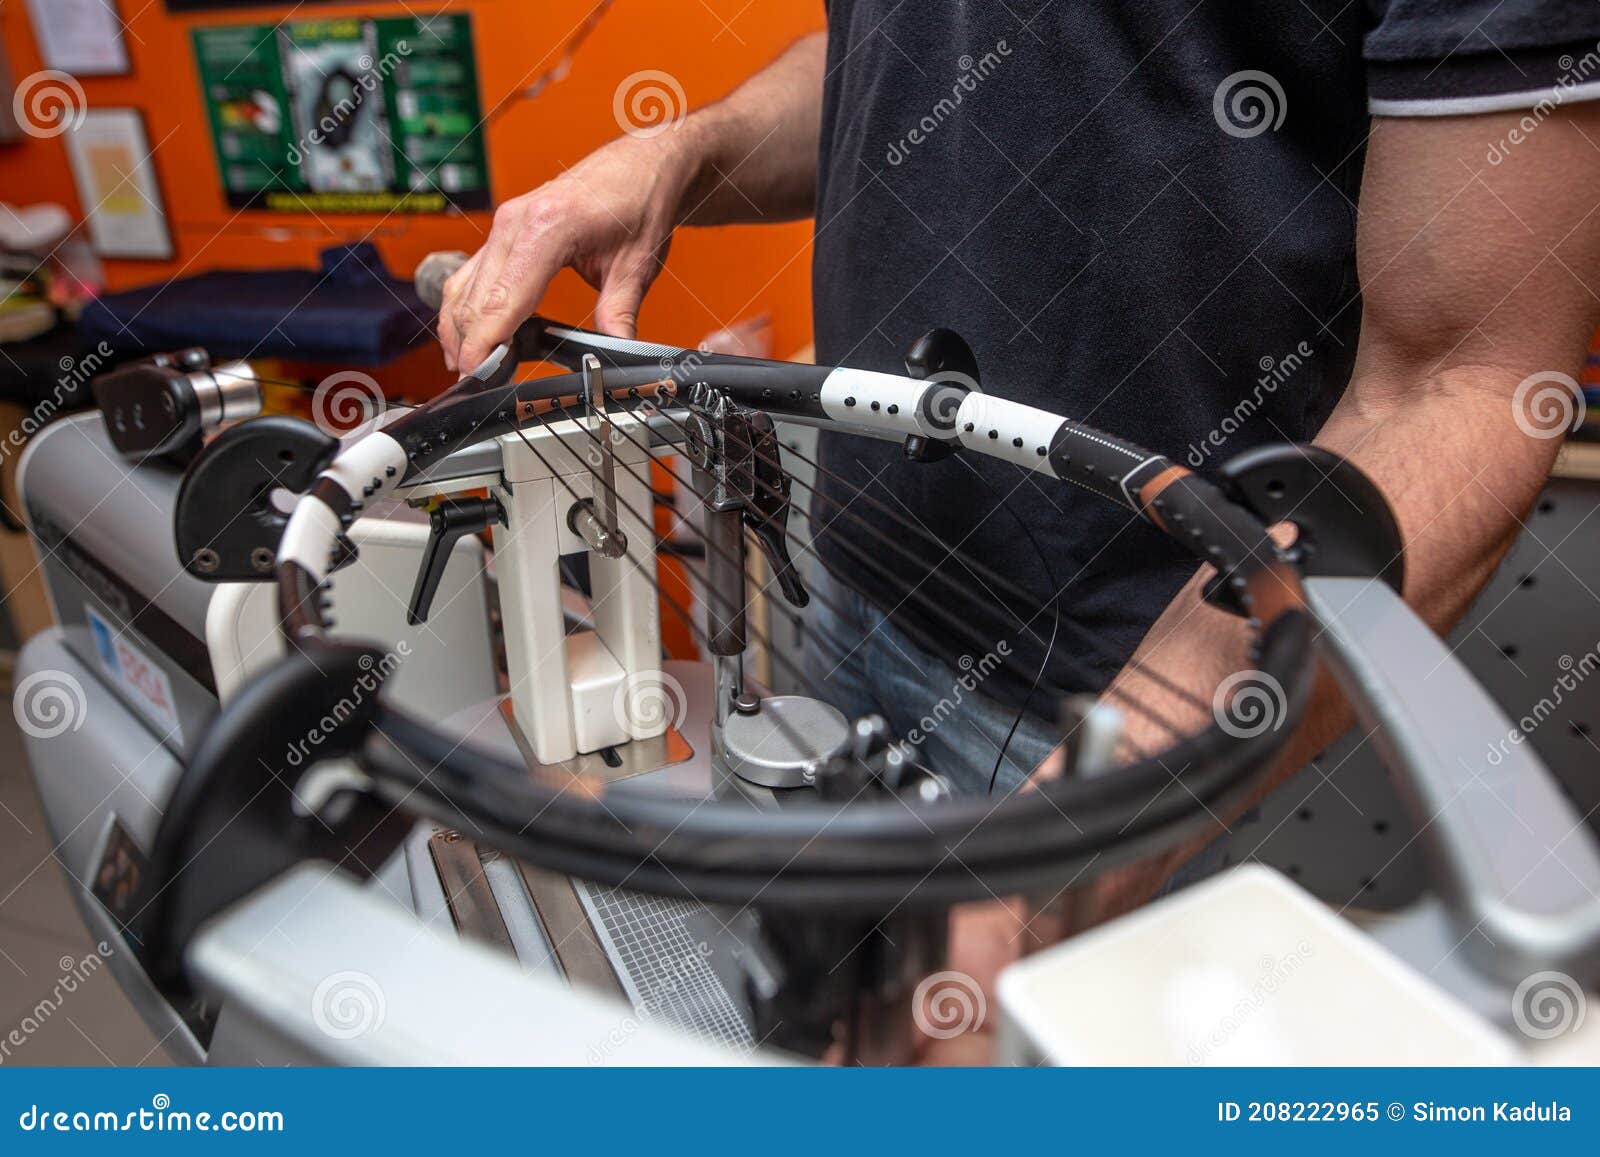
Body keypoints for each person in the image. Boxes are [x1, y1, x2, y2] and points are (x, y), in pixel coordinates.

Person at [439, 5, 1600, 978]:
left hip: (1123, 689)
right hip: (845, 589)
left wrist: (1080, 834)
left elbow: (1468, 376)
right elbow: (885, 66)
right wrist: (683, 151)